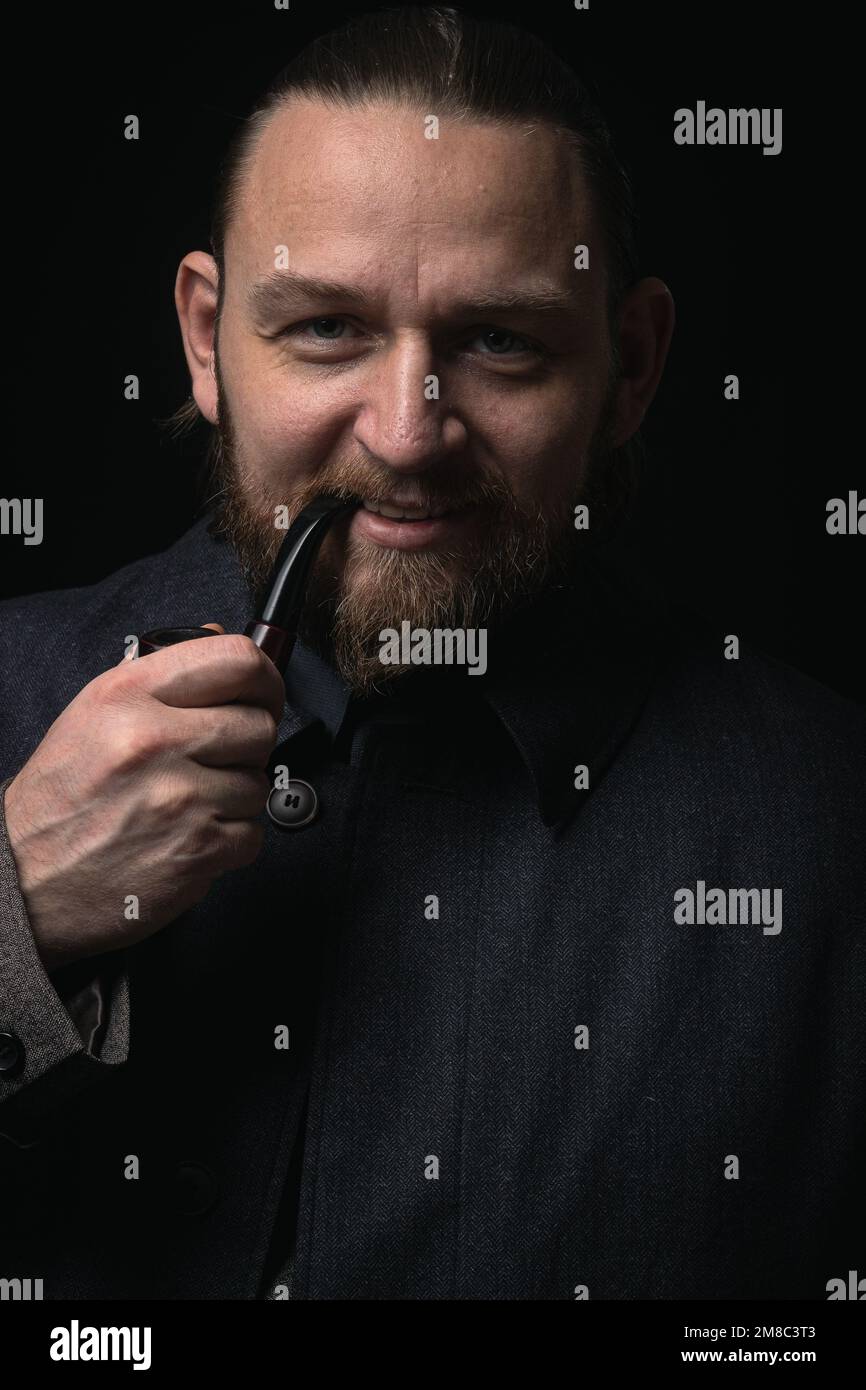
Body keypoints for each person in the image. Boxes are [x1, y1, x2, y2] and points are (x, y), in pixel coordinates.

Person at [1, 6, 862, 1301]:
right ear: (203, 339)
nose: (408, 437)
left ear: (628, 369)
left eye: (499, 341)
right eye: (325, 330)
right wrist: (18, 918)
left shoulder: (831, 822)